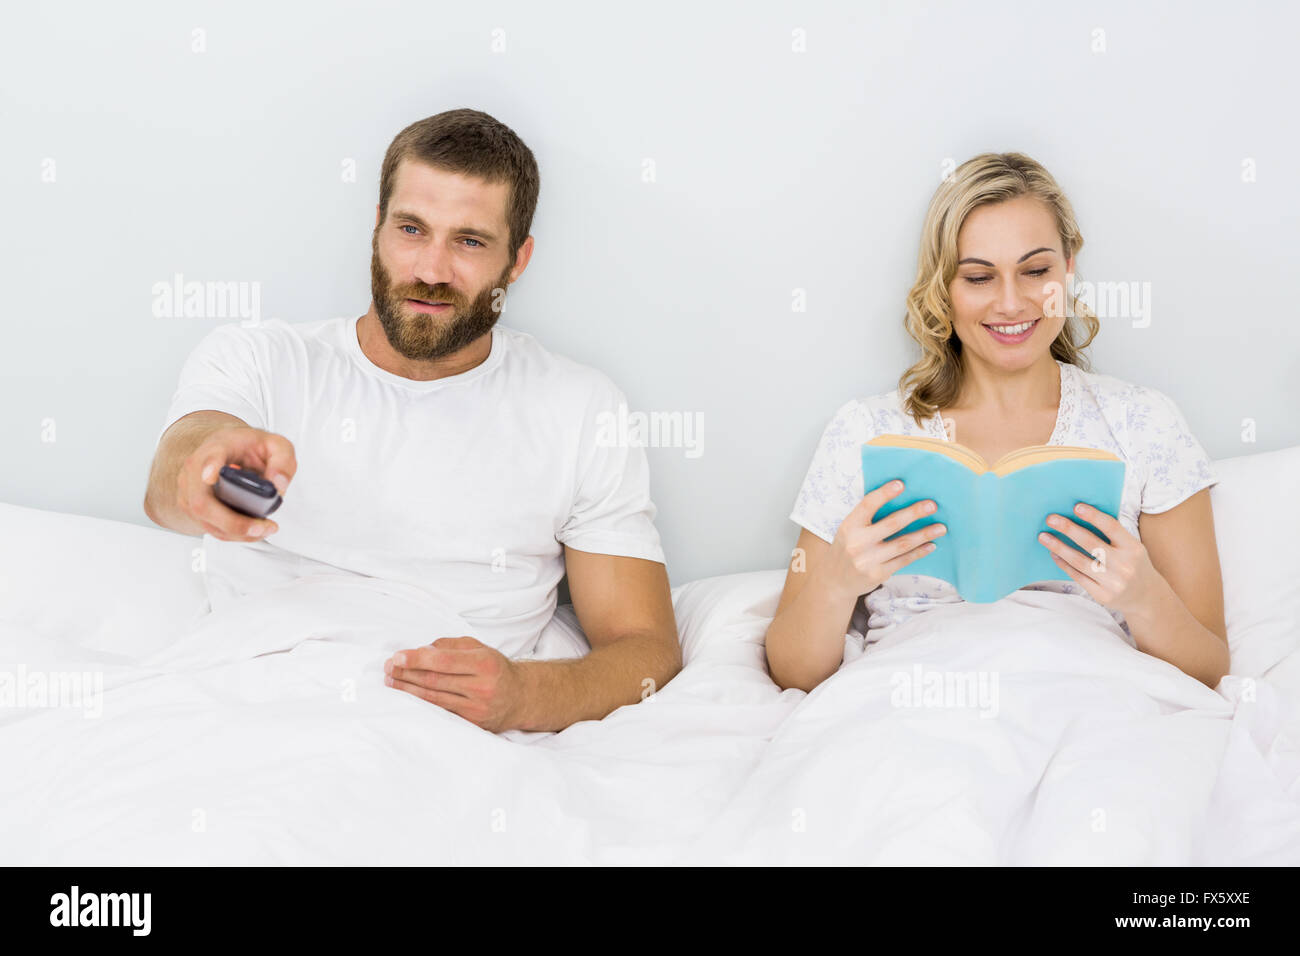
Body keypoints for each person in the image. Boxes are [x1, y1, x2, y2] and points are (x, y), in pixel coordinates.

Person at [143, 108, 681, 733]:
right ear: (377, 228)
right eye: (411, 229)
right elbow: (169, 487)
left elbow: (645, 647)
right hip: (257, 701)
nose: (430, 269)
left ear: (518, 259)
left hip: (440, 736)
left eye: (470, 241)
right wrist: (206, 465)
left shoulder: (581, 408)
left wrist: (524, 697)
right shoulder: (262, 360)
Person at [765, 152, 1227, 692]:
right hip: (908, 708)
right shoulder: (865, 431)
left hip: (1090, 703)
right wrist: (837, 583)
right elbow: (791, 672)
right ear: (944, 286)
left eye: (1035, 271)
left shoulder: (1144, 423)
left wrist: (1143, 595)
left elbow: (1209, 665)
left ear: (1069, 266)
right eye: (979, 277)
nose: (1011, 303)